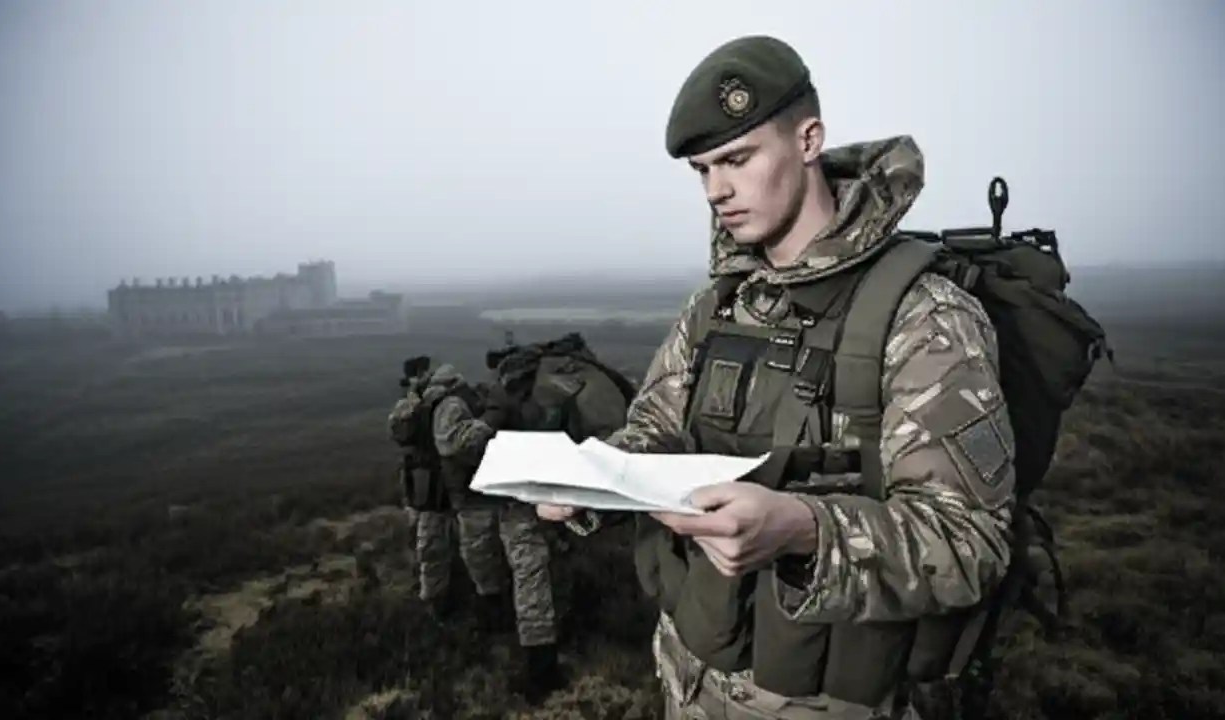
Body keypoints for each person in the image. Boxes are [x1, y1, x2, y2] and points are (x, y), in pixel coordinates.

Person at [536, 35, 1018, 720]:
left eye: (737, 158)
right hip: (689, 675)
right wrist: (594, 479)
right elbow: (656, 428)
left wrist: (802, 530)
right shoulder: (719, 304)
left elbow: (971, 542)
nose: (717, 191)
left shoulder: (922, 314)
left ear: (809, 139)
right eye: (702, 170)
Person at [429, 360, 569, 704]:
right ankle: (519, 642)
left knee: (527, 571)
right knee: (514, 571)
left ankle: (539, 660)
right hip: (503, 498)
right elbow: (460, 445)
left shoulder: (492, 403)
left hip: (512, 498)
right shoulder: (467, 404)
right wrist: (494, 417)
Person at [388, 362, 510, 627]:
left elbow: (456, 446)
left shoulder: (447, 402)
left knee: (471, 553)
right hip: (440, 493)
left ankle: (483, 610)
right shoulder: (426, 402)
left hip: (453, 491)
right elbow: (400, 432)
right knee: (443, 551)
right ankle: (452, 608)